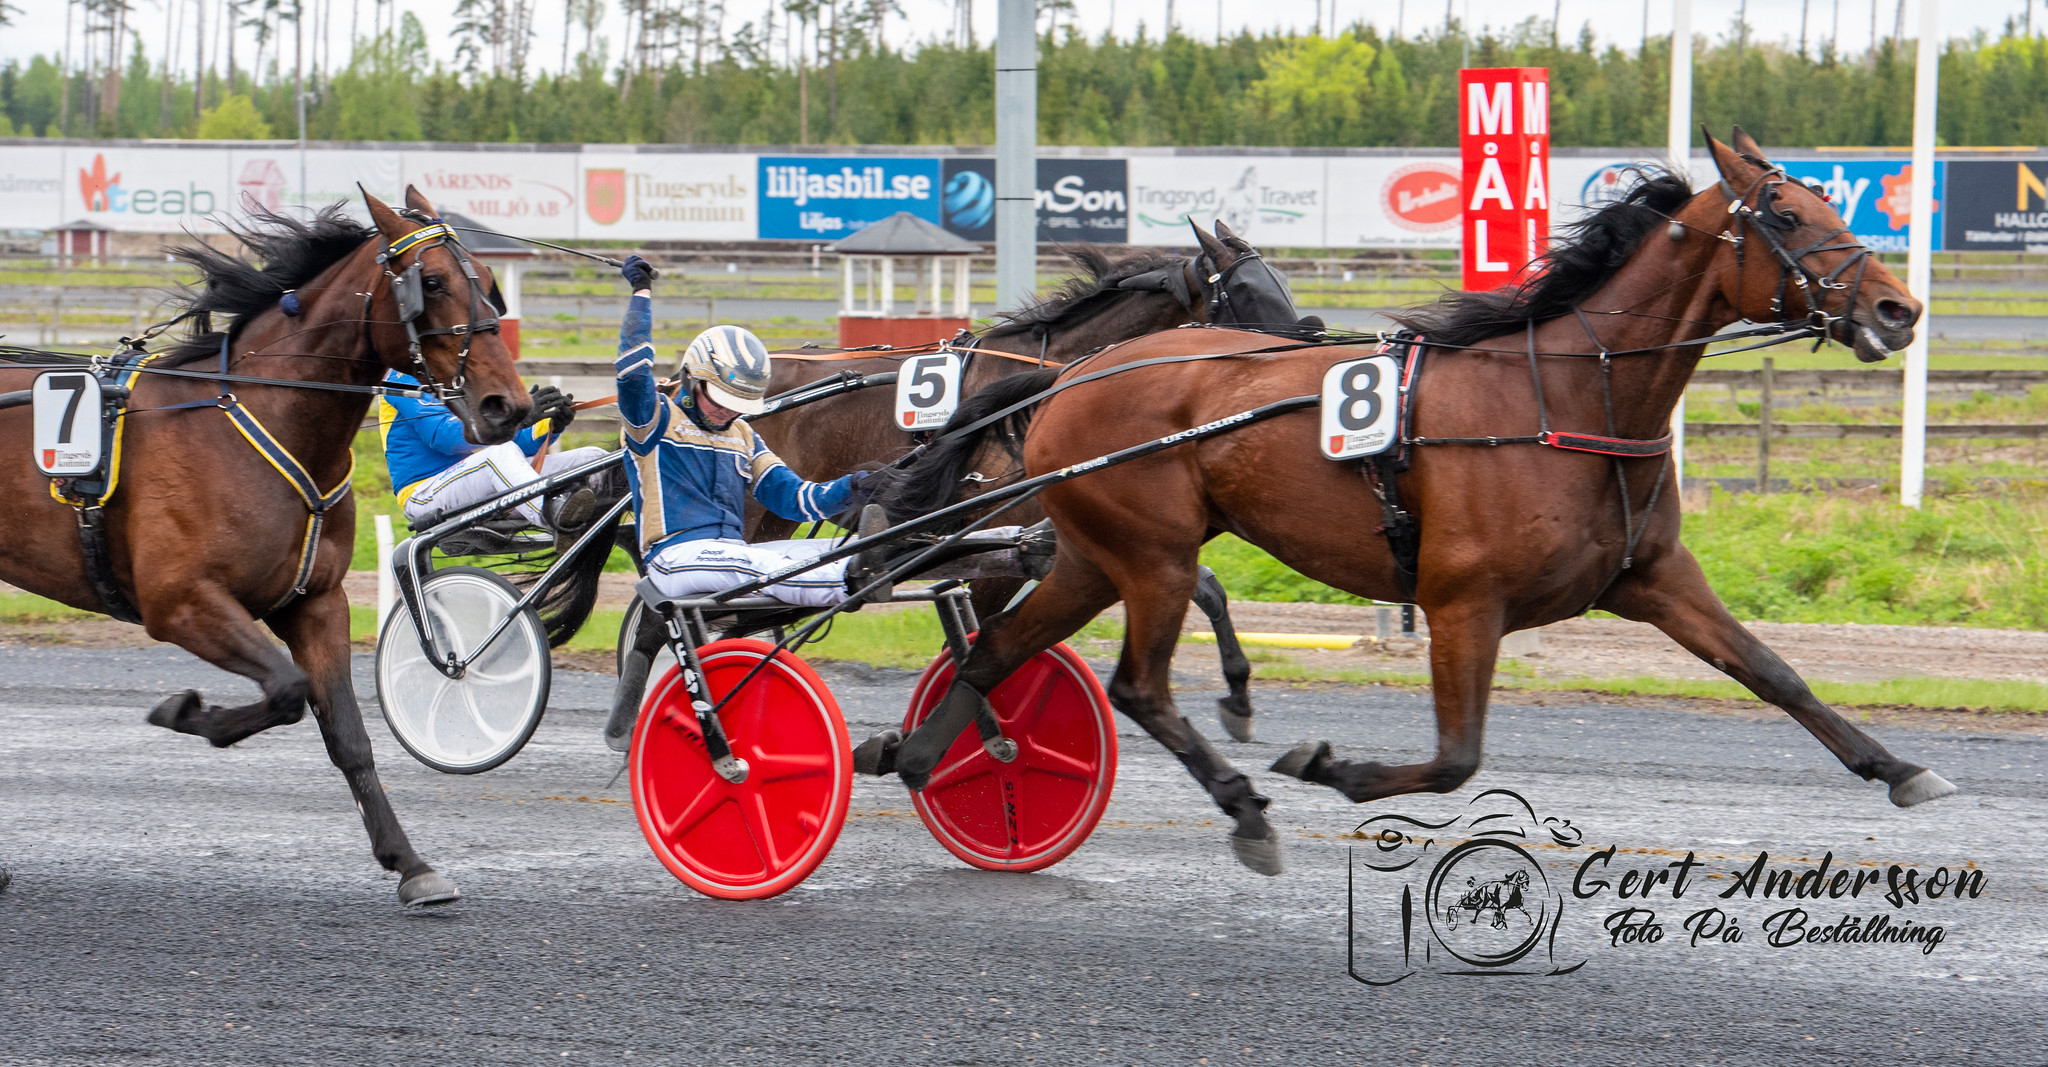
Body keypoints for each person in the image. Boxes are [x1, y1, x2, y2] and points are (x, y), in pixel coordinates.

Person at [612, 254, 870, 607]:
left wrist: (855, 486)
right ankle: (849, 586)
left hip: (728, 556)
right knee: (763, 562)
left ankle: (872, 568)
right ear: (692, 379)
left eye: (737, 404)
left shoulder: (744, 436)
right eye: (719, 399)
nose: (727, 411)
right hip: (673, 560)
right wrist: (641, 294)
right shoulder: (653, 421)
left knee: (844, 548)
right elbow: (632, 370)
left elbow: (797, 500)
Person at [377, 370, 608, 530]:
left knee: (593, 459)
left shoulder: (456, 377)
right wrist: (514, 420)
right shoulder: (400, 378)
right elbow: (444, 436)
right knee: (497, 455)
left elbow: (507, 442)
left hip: (470, 482)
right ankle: (555, 518)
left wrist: (548, 424)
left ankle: (605, 517)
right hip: (423, 495)